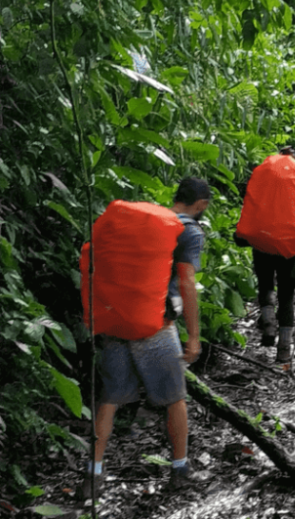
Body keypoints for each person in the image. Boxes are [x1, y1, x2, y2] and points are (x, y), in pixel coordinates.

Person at [82, 177, 210, 500]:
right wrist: (194, 337)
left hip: (114, 320)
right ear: (201, 205)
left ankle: (93, 475)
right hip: (155, 327)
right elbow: (186, 282)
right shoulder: (189, 232)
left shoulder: (154, 222)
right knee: (175, 399)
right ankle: (180, 469)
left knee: (109, 400)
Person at [236, 147, 295, 365]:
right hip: (289, 243)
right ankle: (284, 351)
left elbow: (250, 205)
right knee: (287, 295)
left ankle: (269, 323)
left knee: (265, 283)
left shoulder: (262, 173)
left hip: (262, 240)